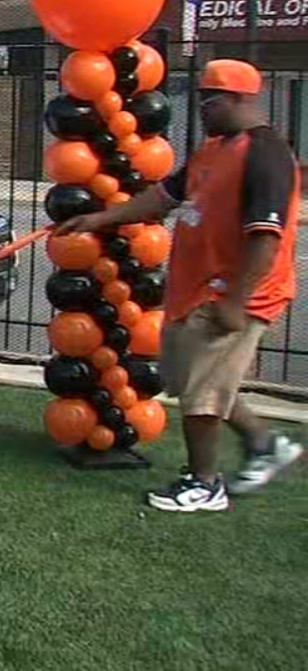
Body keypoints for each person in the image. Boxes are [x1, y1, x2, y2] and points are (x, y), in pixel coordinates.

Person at [58, 59, 303, 512]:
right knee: (193, 379)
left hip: (230, 292)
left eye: (211, 100)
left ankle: (204, 483)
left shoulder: (265, 154)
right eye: (200, 99)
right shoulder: (213, 149)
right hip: (197, 288)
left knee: (201, 394)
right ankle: (264, 443)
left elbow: (266, 238)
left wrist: (236, 300)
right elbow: (163, 197)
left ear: (241, 99)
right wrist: (100, 219)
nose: (202, 108)